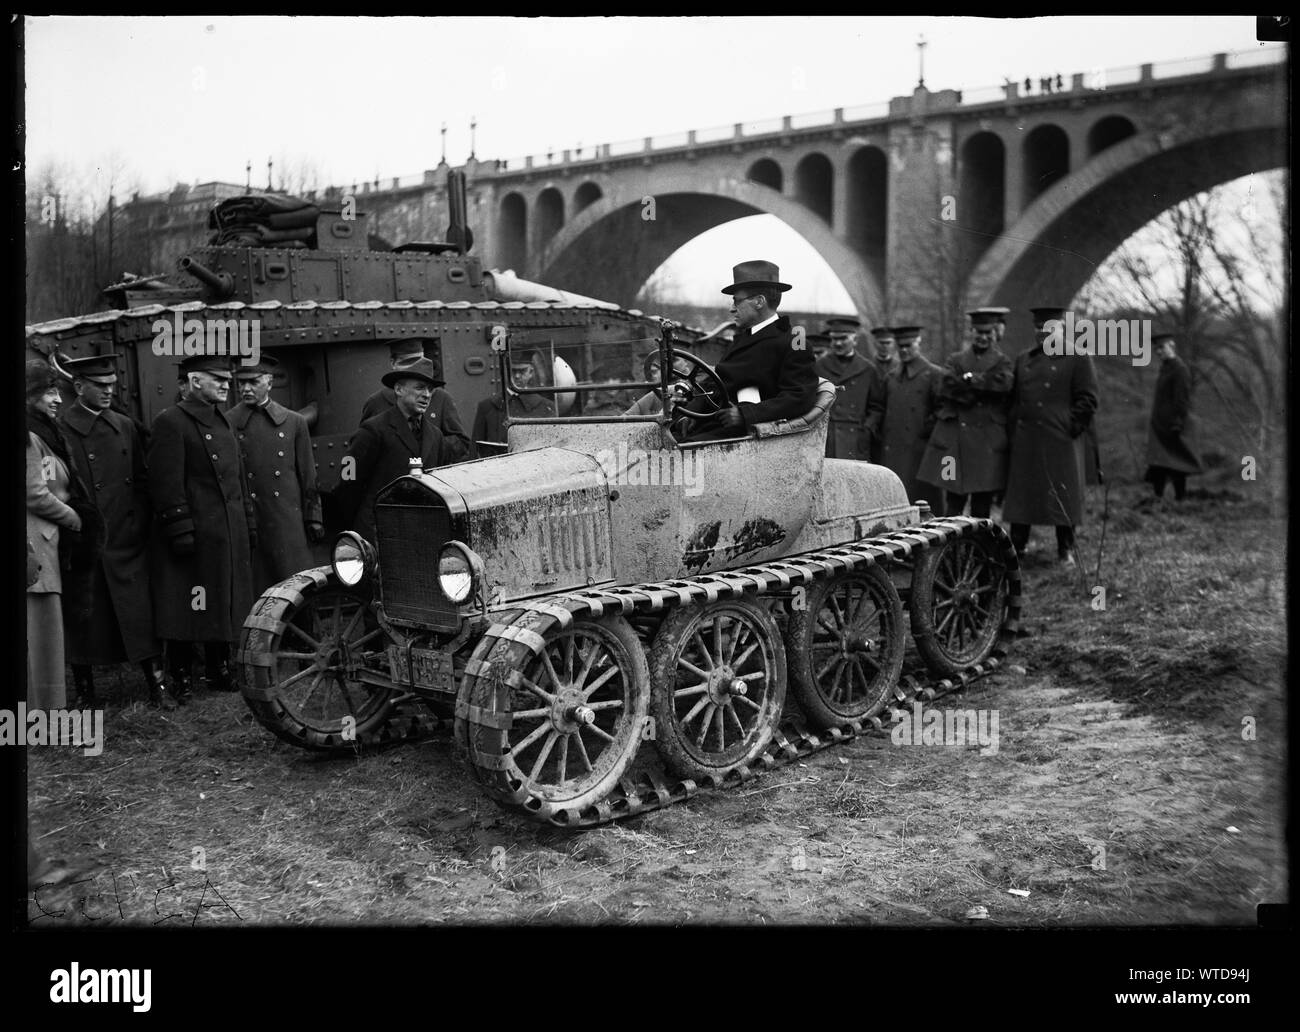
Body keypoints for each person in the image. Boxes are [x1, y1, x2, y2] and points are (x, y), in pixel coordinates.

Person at [58, 354, 175, 709]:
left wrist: (138, 522)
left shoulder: (123, 426)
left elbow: (142, 478)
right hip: (85, 539)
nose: (108, 391)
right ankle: (85, 693)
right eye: (100, 386)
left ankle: (158, 687)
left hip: (126, 537)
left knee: (138, 613)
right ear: (79, 388)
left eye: (111, 385)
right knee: (84, 619)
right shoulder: (61, 428)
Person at [148, 355, 257, 699]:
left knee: (222, 600)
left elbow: (238, 478)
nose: (227, 385)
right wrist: (181, 529)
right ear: (194, 381)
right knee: (187, 604)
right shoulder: (171, 422)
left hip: (226, 530)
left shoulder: (221, 420)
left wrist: (247, 523)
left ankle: (218, 668)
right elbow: (166, 482)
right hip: (195, 532)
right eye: (217, 379)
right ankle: (179, 676)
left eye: (227, 379)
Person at [1001, 306, 1099, 565]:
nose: (1043, 334)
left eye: (1049, 329)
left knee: (1063, 495)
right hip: (1026, 438)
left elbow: (1087, 399)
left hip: (1060, 440)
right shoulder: (1024, 359)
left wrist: (1069, 428)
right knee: (1022, 497)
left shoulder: (1077, 357)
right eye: (1038, 329)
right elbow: (1015, 399)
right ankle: (1017, 549)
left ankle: (1065, 550)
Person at [678, 260, 818, 441]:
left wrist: (746, 415)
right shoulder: (744, 338)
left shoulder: (795, 340)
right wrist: (692, 412)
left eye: (737, 301)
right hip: (714, 426)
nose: (732, 308)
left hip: (748, 437)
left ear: (759, 301)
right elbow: (718, 381)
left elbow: (799, 397)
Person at [228, 354, 325, 595]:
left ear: (269, 384)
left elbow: (307, 474)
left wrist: (314, 517)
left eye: (253, 382)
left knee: (295, 586)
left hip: (286, 519)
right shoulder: (228, 423)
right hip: (249, 520)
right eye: (241, 383)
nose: (245, 388)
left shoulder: (293, 422)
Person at [337, 357, 452, 542]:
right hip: (377, 534)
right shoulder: (373, 430)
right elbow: (348, 481)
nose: (427, 395)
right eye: (420, 387)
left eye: (430, 389)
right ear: (398, 389)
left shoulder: (435, 436)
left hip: (422, 535)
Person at [26, 360, 85, 712]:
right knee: (42, 634)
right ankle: (43, 715)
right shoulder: (30, 436)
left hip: (38, 542)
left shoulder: (39, 431)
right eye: (50, 392)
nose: (58, 399)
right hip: (36, 545)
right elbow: (34, 493)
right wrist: (75, 517)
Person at [917, 310, 1014, 518]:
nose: (983, 336)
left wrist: (970, 380)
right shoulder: (956, 359)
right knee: (953, 499)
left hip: (986, 443)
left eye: (988, 332)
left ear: (994, 333)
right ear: (971, 331)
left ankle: (978, 549)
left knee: (982, 502)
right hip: (953, 442)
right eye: (979, 331)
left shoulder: (1002, 361)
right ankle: (951, 547)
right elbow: (947, 385)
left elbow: (1004, 385)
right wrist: (981, 386)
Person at [358, 338, 470, 463]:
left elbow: (462, 444)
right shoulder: (375, 403)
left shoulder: (441, 399)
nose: (415, 367)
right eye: (408, 362)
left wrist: (428, 447)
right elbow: (356, 459)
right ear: (393, 363)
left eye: (419, 361)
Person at [878, 326, 945, 514]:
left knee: (922, 503)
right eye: (900, 346)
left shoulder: (933, 374)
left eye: (908, 345)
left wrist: (924, 430)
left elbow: (942, 411)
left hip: (921, 452)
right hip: (893, 450)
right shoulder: (891, 377)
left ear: (918, 344)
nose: (904, 350)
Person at [816, 315, 885, 462]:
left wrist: (867, 428)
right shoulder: (819, 367)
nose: (838, 343)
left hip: (856, 439)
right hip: (827, 437)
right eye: (834, 339)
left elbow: (877, 407)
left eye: (843, 338)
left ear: (855, 340)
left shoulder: (868, 369)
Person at [1144, 333, 1203, 501]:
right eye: (1156, 349)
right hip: (1159, 426)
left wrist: (1177, 422)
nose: (1159, 352)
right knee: (1158, 464)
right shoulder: (1166, 367)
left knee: (1177, 464)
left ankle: (1179, 500)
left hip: (1172, 426)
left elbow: (1181, 399)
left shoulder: (1179, 369)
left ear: (1172, 346)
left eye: (1162, 347)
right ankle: (1157, 499)